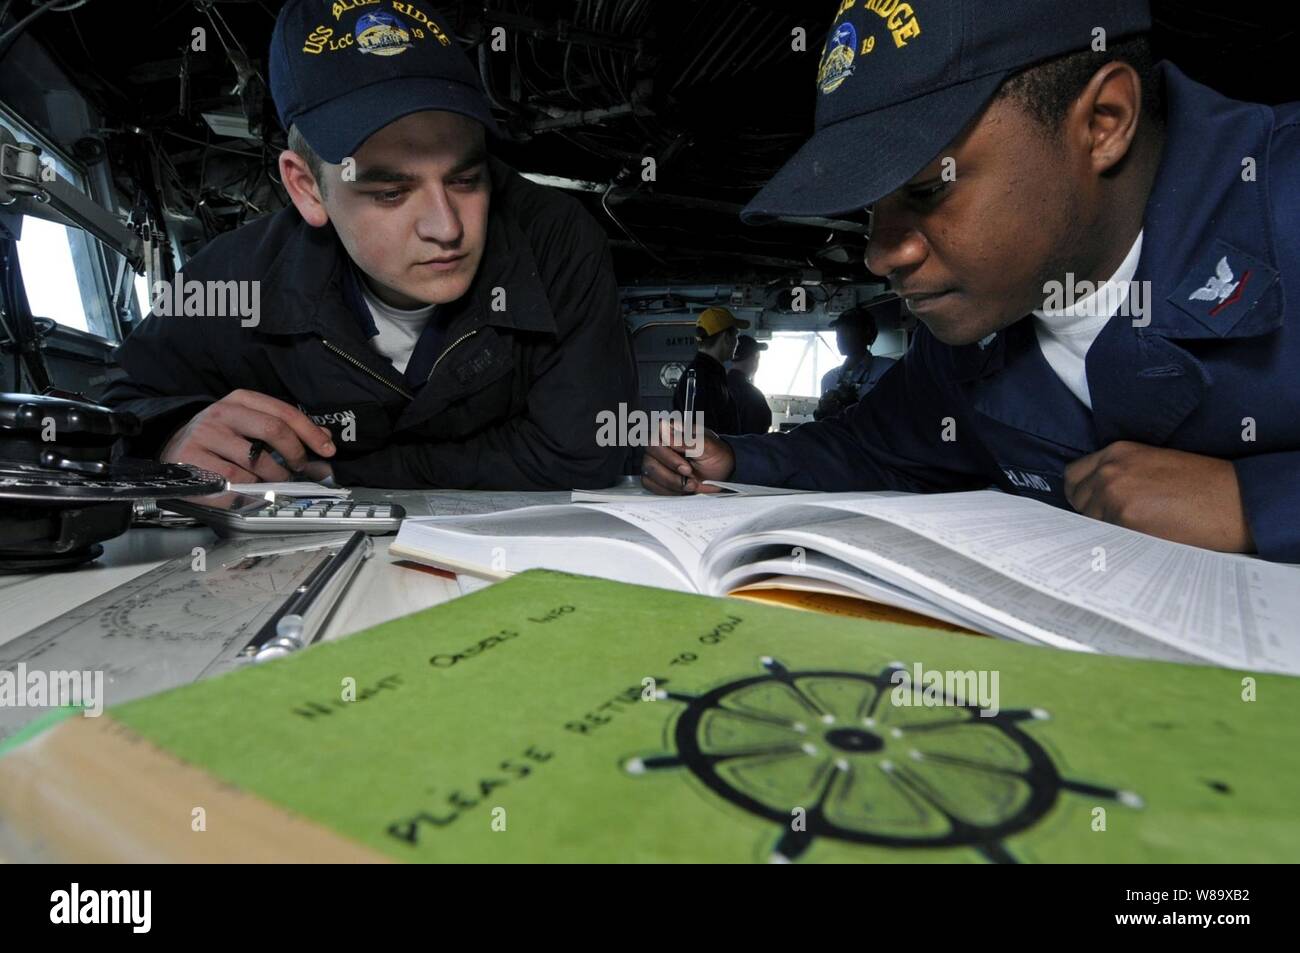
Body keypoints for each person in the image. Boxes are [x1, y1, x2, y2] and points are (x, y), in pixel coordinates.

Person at [643, 0, 1300, 563]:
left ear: (1104, 121)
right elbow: (878, 448)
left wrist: (1256, 504)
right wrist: (739, 461)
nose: (879, 255)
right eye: (869, 210)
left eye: (929, 189)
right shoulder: (973, 336)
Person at [104, 0, 635, 490]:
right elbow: (111, 406)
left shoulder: (556, 240)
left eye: (466, 179)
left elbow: (585, 453)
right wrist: (171, 434)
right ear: (307, 189)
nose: (446, 228)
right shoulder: (229, 281)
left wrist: (339, 471)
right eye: (391, 192)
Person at [815, 296, 899, 419]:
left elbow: (898, 413)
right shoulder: (829, 379)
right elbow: (824, 423)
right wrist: (822, 410)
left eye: (847, 332)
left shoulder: (889, 370)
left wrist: (856, 405)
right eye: (838, 333)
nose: (840, 339)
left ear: (867, 333)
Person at [671, 306, 744, 435]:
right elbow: (701, 436)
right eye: (736, 336)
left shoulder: (707, 373)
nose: (738, 343)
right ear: (726, 337)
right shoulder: (702, 377)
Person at [729, 335, 773, 434]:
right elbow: (760, 433)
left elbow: (700, 421)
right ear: (754, 358)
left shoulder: (716, 385)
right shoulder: (755, 396)